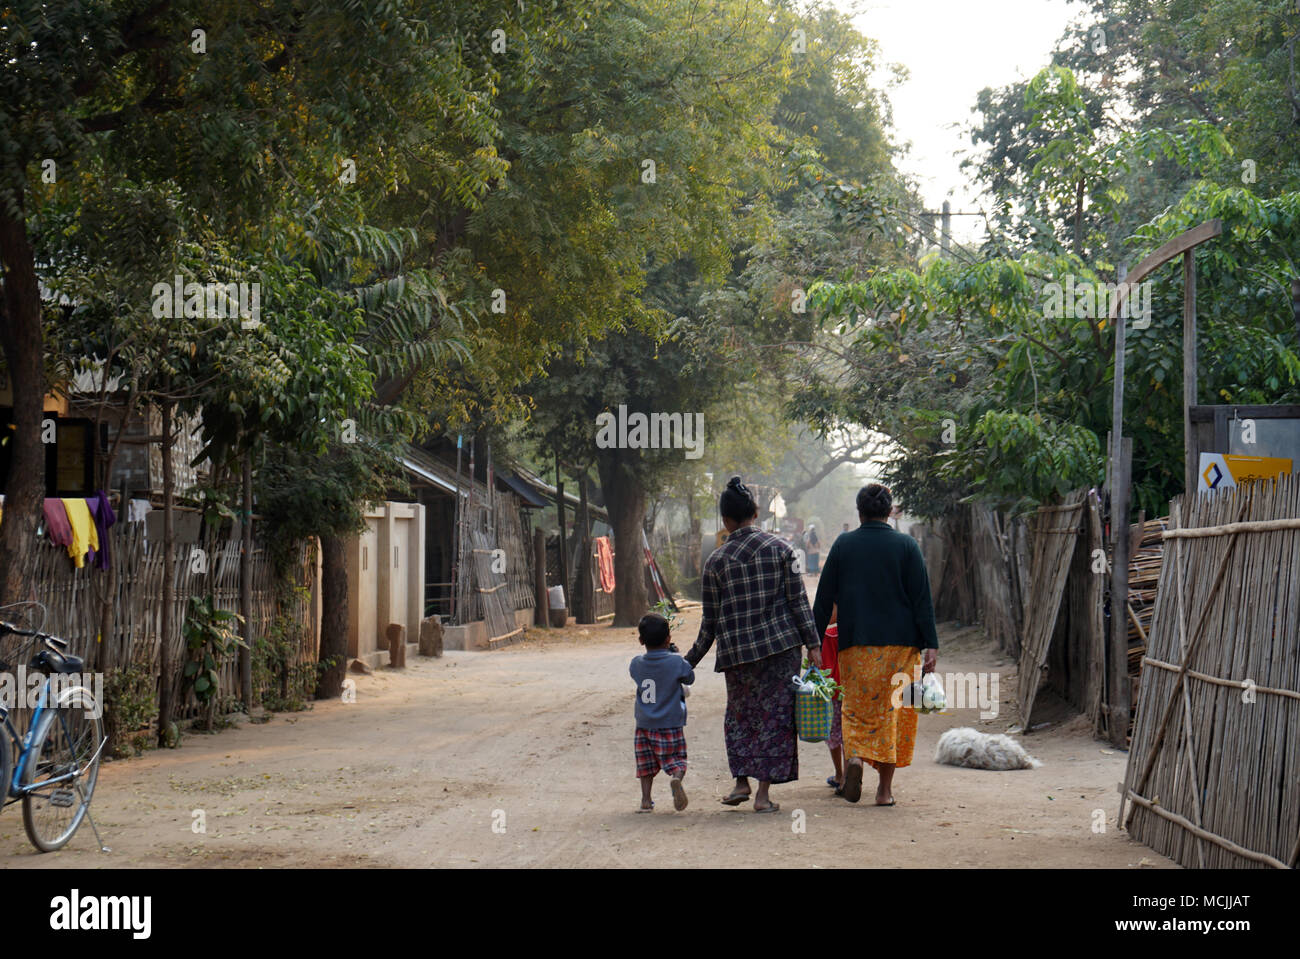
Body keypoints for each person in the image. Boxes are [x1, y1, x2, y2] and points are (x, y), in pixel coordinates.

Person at [685, 477, 822, 813]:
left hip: (738, 656)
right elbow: (799, 604)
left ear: (725, 520)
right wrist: (814, 645)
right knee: (776, 719)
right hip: (781, 651)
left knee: (741, 716)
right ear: (755, 513)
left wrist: (686, 663)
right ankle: (762, 795)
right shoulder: (784, 550)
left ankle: (740, 780)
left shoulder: (715, 562)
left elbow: (710, 624)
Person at [812, 484, 938, 807]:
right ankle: (884, 792)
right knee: (892, 714)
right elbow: (922, 599)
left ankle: (854, 759)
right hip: (902, 645)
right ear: (889, 510)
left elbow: (824, 598)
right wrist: (931, 645)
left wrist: (812, 642)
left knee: (855, 708)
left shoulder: (843, 545)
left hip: (856, 644)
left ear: (859, 512)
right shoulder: (907, 546)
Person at [630, 612, 695, 813]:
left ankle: (646, 801)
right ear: (668, 639)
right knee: (676, 758)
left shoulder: (636, 664)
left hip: (644, 724)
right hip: (670, 722)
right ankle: (676, 777)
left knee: (646, 765)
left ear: (641, 640)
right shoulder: (676, 663)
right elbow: (689, 678)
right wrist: (676, 655)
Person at [821, 604, 844, 793]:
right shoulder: (857, 631)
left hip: (834, 694)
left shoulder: (829, 635)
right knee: (850, 734)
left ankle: (839, 775)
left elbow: (825, 668)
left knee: (834, 735)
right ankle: (853, 772)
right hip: (853, 692)